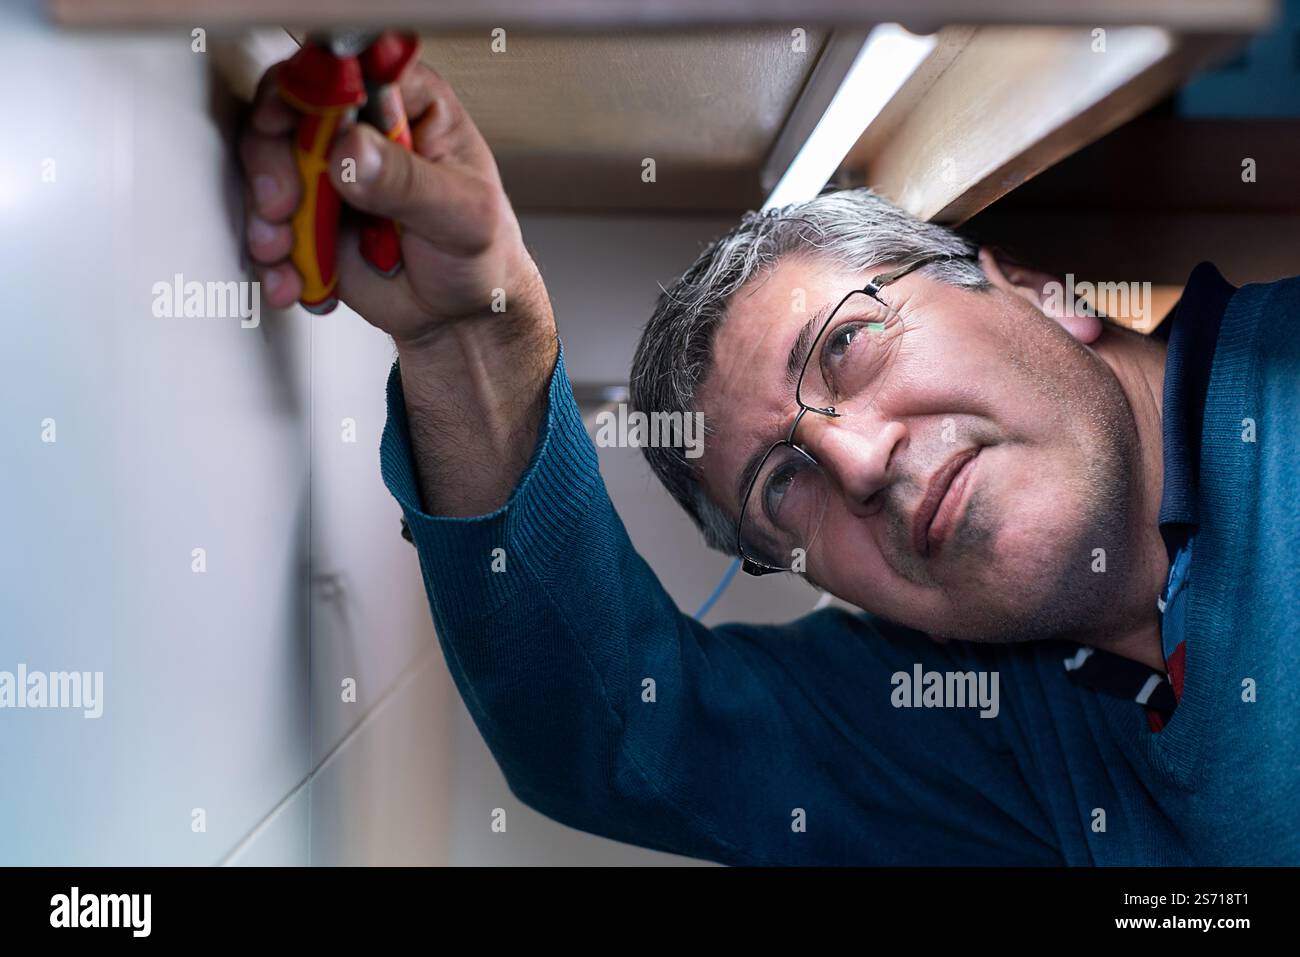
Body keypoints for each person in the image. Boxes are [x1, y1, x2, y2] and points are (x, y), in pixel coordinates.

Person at [239, 59, 1300, 865]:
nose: (855, 456)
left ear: (1031, 289)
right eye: (780, 490)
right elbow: (623, 736)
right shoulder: (1003, 724)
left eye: (847, 343)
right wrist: (473, 333)